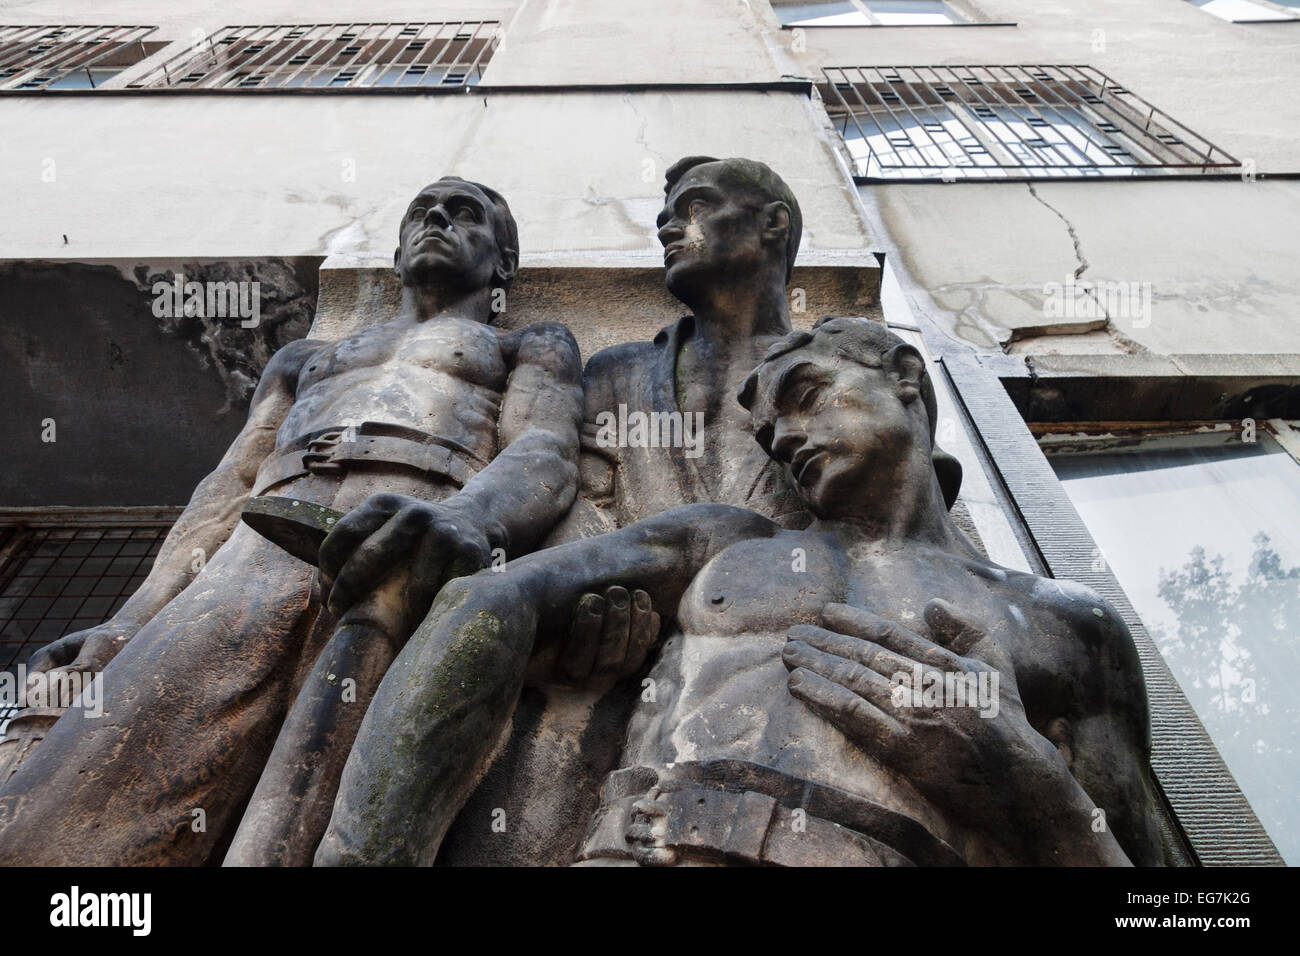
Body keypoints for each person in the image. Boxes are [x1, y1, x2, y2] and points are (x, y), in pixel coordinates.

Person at [316, 316, 1168, 866]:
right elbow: (487, 602)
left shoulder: (1066, 623)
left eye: (805, 398)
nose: (785, 439)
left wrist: (1031, 789)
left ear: (906, 377)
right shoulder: (723, 540)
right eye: (767, 433)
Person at [0, 178, 583, 866]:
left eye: (464, 216)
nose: (436, 220)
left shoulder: (529, 343)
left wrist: (470, 517)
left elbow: (544, 449)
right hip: (255, 550)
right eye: (421, 213)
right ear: (395, 257)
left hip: (401, 551)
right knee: (99, 784)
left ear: (503, 265)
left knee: (312, 805)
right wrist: (131, 619)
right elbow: (226, 487)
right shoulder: (304, 359)